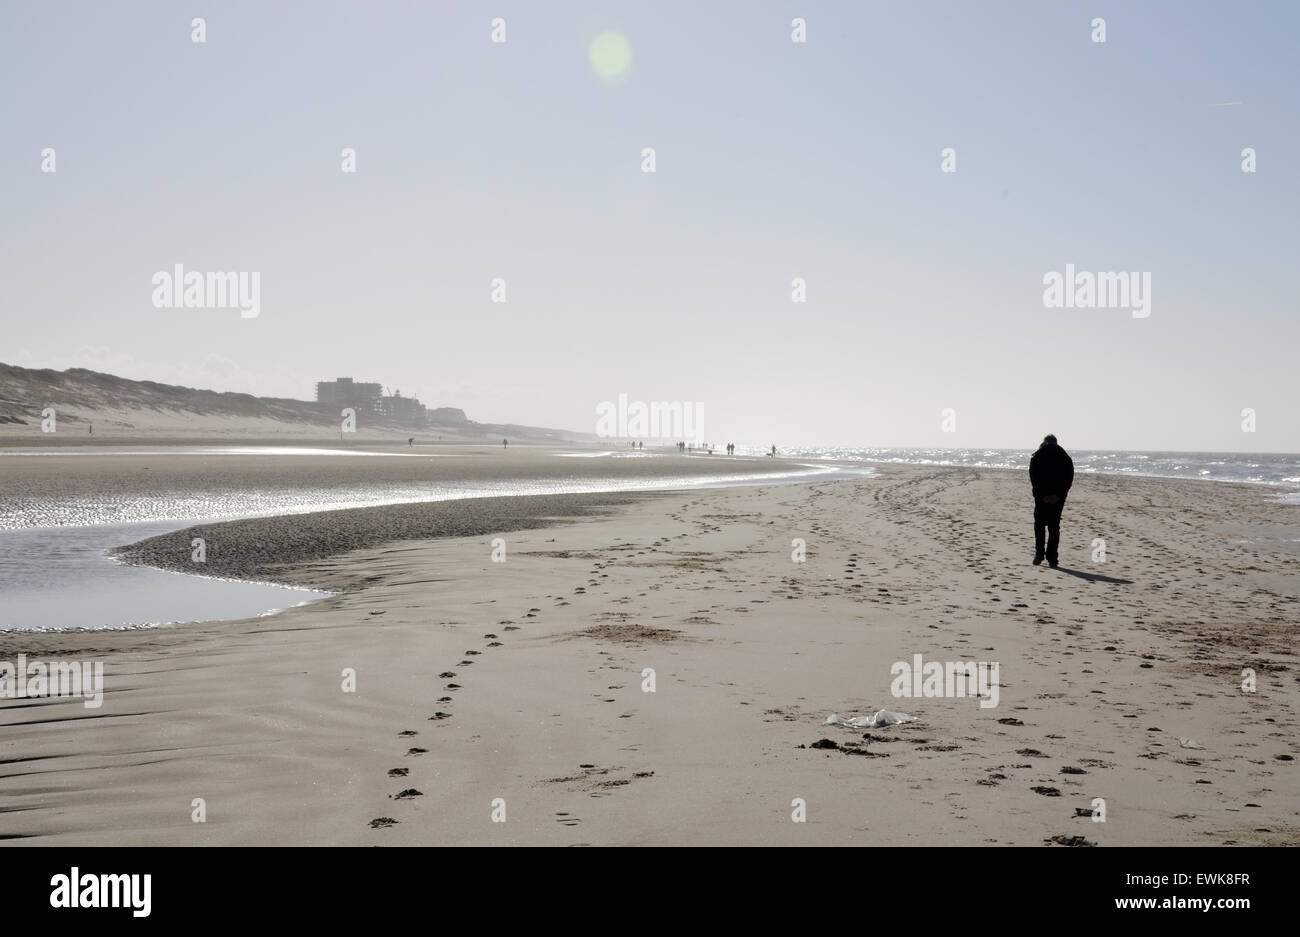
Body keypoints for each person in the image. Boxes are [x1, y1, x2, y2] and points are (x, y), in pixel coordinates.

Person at [1029, 434, 1074, 567]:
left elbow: (1034, 479)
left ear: (1044, 443)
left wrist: (1042, 496)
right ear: (1056, 443)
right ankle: (1052, 558)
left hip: (1041, 497)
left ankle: (1039, 554)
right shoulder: (1065, 457)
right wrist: (1059, 495)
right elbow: (1068, 479)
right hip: (1058, 499)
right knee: (1054, 528)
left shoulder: (1037, 456)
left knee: (1039, 526)